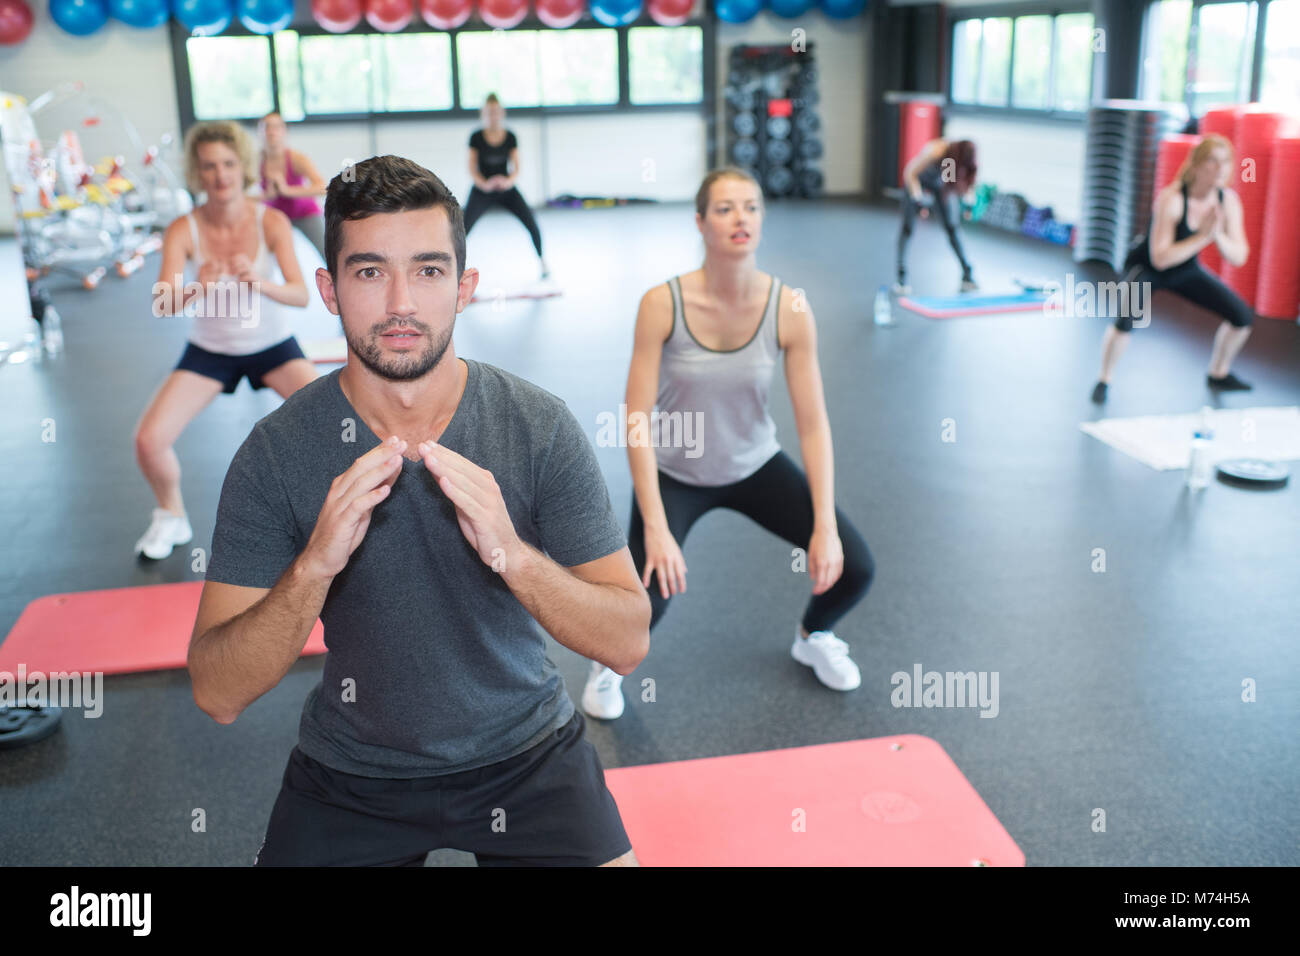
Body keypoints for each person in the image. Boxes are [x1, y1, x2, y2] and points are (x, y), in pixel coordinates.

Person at [188, 154, 649, 867]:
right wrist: (314, 566)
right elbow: (217, 691)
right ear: (330, 289)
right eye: (370, 272)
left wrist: (514, 556)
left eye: (429, 271)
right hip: (352, 778)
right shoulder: (276, 453)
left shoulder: (537, 426)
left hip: (528, 759)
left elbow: (627, 640)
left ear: (464, 288)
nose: (401, 302)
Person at [582, 167, 875, 721]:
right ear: (700, 221)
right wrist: (657, 527)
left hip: (753, 464)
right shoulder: (661, 304)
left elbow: (813, 425)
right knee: (641, 609)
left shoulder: (788, 307)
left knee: (856, 566)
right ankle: (606, 669)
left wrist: (825, 526)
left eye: (751, 206)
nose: (741, 217)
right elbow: (637, 419)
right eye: (724, 208)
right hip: (675, 472)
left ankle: (813, 635)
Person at [135, 120, 314, 561]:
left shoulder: (270, 220)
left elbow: (301, 294)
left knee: (338, 423)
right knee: (149, 440)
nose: (220, 175)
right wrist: (198, 285)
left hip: (273, 345)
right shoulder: (183, 228)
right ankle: (171, 516)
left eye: (229, 164)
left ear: (243, 166)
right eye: (210, 166)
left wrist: (260, 282)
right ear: (198, 172)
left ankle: (325, 516)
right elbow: (162, 304)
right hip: (210, 350)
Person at [1092, 134, 1253, 402]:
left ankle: (1218, 373)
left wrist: (1217, 236)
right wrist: (1202, 237)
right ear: (1197, 165)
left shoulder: (1229, 202)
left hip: (1186, 267)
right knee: (1125, 321)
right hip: (1147, 268)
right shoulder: (1173, 198)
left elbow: (1239, 256)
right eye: (1212, 161)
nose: (1220, 168)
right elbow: (1160, 259)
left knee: (1242, 317)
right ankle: (1104, 379)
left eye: (1225, 162)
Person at [464, 94, 549, 278]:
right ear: (483, 114)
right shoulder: (476, 137)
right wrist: (484, 184)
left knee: (531, 223)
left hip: (506, 189)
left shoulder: (510, 136)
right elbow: (472, 168)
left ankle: (543, 263)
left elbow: (516, 168)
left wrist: (507, 182)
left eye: (496, 112)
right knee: (462, 229)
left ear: (501, 113)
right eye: (489, 112)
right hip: (483, 189)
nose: (493, 116)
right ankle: (455, 269)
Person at [894, 138, 979, 295]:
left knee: (952, 228)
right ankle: (901, 278)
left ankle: (968, 275)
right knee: (907, 228)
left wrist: (968, 202)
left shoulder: (951, 161)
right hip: (916, 182)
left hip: (937, 185)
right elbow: (910, 173)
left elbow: (958, 182)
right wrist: (918, 200)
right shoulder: (937, 150)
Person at [258, 111, 328, 258]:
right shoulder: (257, 161)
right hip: (277, 217)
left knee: (327, 254)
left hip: (305, 214)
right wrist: (266, 196)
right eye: (266, 127)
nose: (271, 132)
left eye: (276, 127)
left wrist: (287, 190)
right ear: (260, 132)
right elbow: (241, 196)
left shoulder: (296, 158)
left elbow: (323, 187)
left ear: (284, 132)